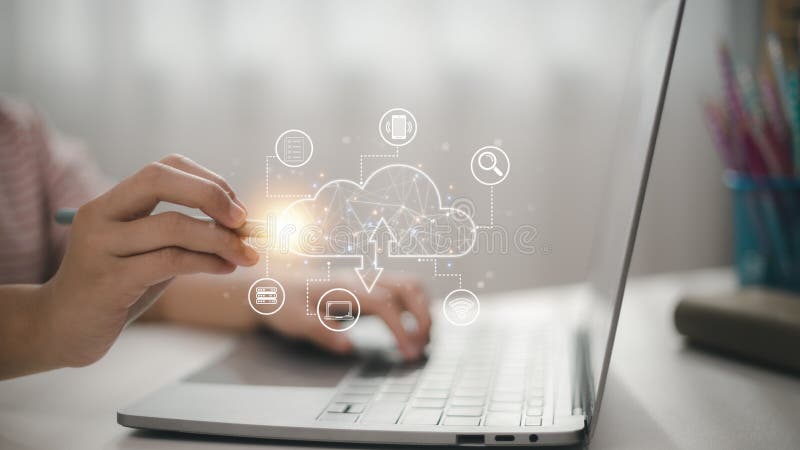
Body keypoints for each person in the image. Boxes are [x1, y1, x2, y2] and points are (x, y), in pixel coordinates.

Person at [0, 98, 431, 380]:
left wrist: (276, 291)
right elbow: (71, 308)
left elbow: (133, 279)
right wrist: (44, 322)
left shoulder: (18, 134)